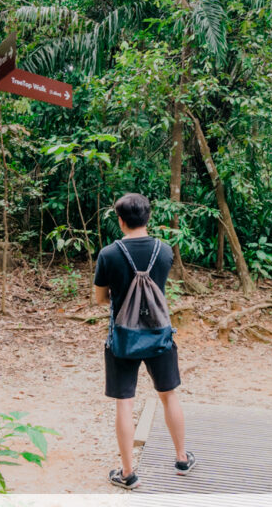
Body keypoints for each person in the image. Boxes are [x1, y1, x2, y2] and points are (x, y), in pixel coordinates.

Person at [94, 192, 196, 489]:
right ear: (148, 217)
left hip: (123, 339)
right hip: (159, 335)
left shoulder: (108, 254)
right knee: (169, 395)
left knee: (124, 403)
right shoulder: (164, 251)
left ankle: (128, 474)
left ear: (121, 221)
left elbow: (101, 299)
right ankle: (181, 458)